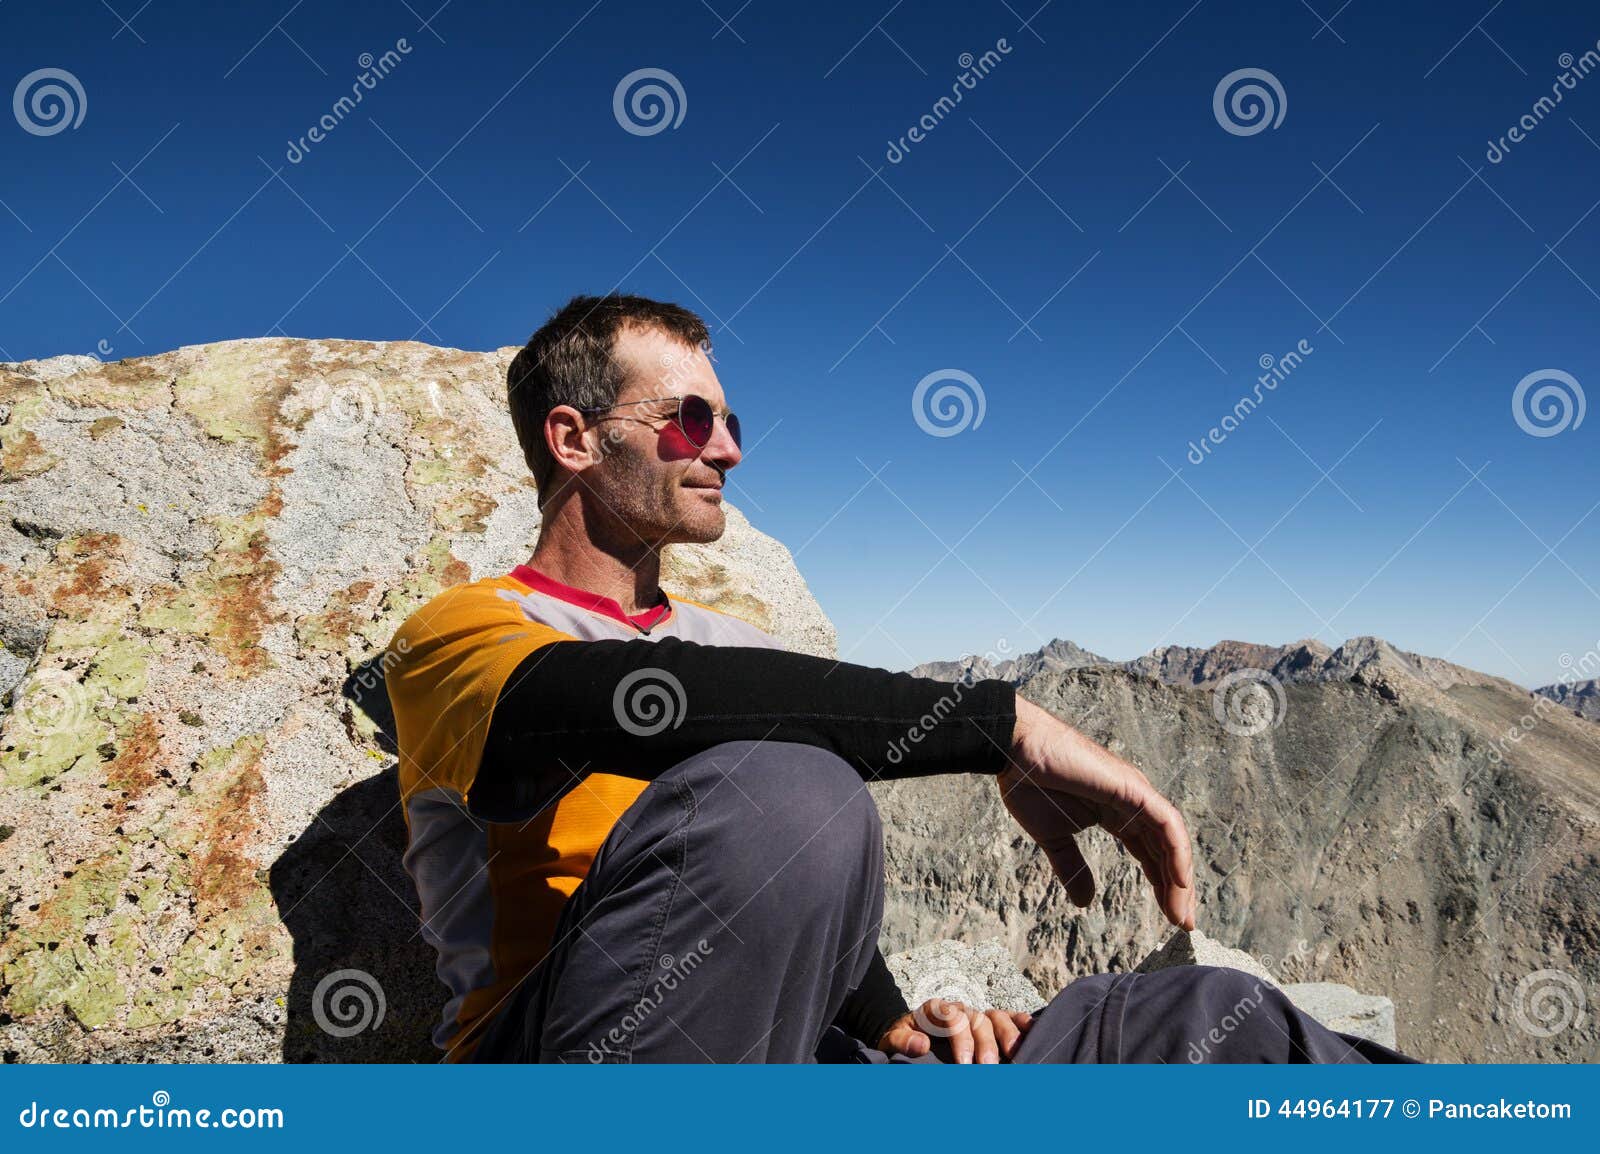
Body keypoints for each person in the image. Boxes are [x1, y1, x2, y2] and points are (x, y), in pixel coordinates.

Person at [383, 293, 1417, 1065]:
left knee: (1210, 1023)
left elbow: (777, 891)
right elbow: (610, 706)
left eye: (734, 423)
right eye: (692, 421)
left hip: (799, 1057)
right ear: (572, 437)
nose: (731, 451)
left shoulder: (732, 646)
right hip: (559, 1058)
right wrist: (995, 722)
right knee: (791, 788)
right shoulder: (465, 635)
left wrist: (904, 1024)